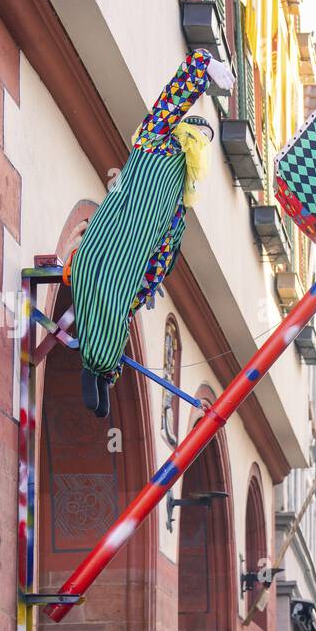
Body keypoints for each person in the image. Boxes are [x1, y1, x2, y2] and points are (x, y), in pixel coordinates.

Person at [67, 48, 235, 416]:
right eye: (196, 136)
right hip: (109, 237)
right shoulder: (154, 138)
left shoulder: (179, 201)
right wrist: (203, 67)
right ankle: (92, 370)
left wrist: (149, 283)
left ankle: (103, 373)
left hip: (131, 264)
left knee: (118, 308)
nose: (197, 144)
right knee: (92, 278)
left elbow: (166, 249)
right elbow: (173, 96)